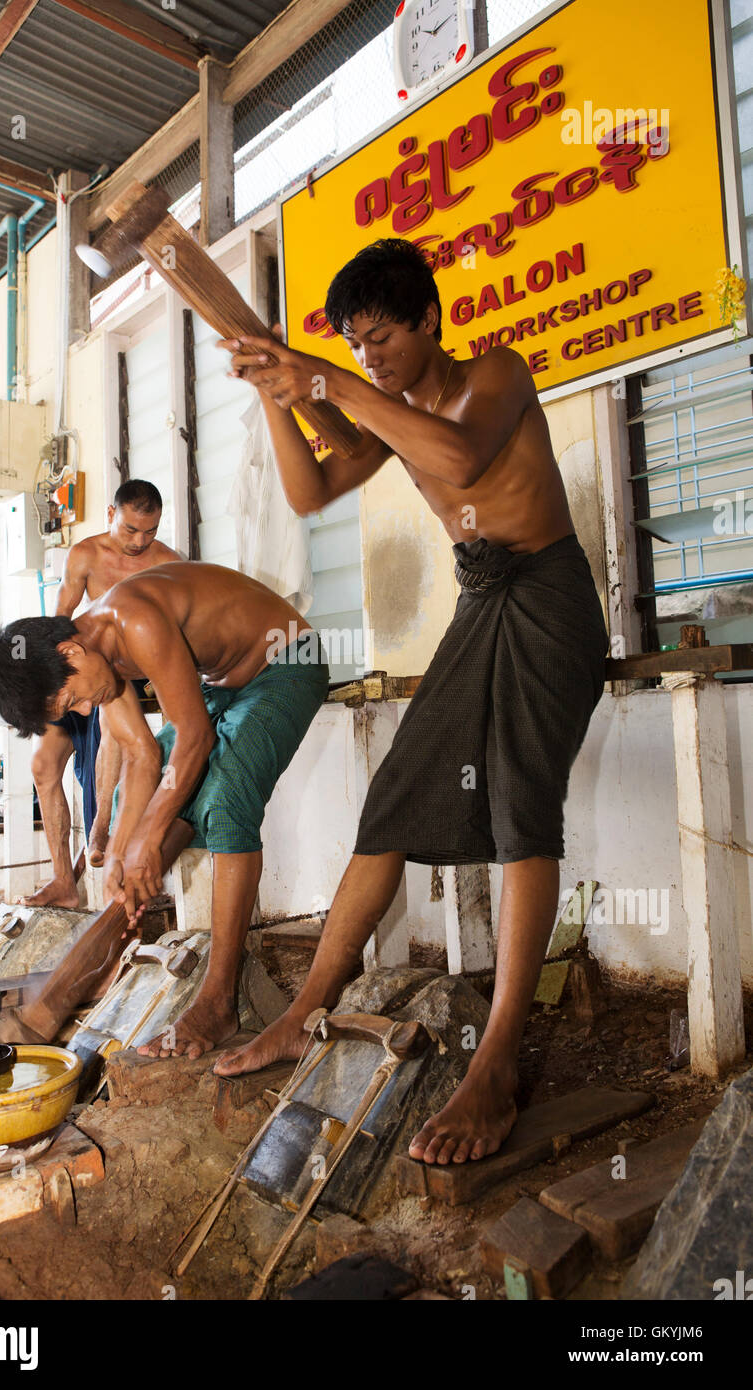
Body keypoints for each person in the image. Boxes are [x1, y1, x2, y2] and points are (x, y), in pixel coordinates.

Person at [212, 237, 608, 1166]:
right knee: (390, 802)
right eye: (354, 344)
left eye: (381, 336)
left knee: (520, 807)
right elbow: (312, 490)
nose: (369, 357)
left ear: (431, 319)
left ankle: (500, 1057)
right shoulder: (384, 407)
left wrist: (333, 385)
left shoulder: (494, 378)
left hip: (549, 602)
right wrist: (282, 399)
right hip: (481, 605)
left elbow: (463, 460)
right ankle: (304, 1015)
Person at [0, 562, 329, 1058]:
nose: (83, 711)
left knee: (224, 799)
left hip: (290, 661)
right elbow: (144, 756)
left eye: (74, 698)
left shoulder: (134, 620)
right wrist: (121, 860)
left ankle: (219, 1000)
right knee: (136, 802)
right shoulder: (100, 663)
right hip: (226, 686)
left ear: (70, 652)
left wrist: (149, 837)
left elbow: (196, 737)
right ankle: (104, 952)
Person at [26, 480, 183, 907]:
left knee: (126, 735)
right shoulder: (85, 555)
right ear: (111, 514)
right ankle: (64, 882)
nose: (139, 541)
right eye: (131, 529)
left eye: (149, 531)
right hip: (80, 669)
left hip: (132, 673)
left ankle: (104, 831)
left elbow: (180, 638)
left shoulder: (168, 562)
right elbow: (58, 623)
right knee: (42, 765)